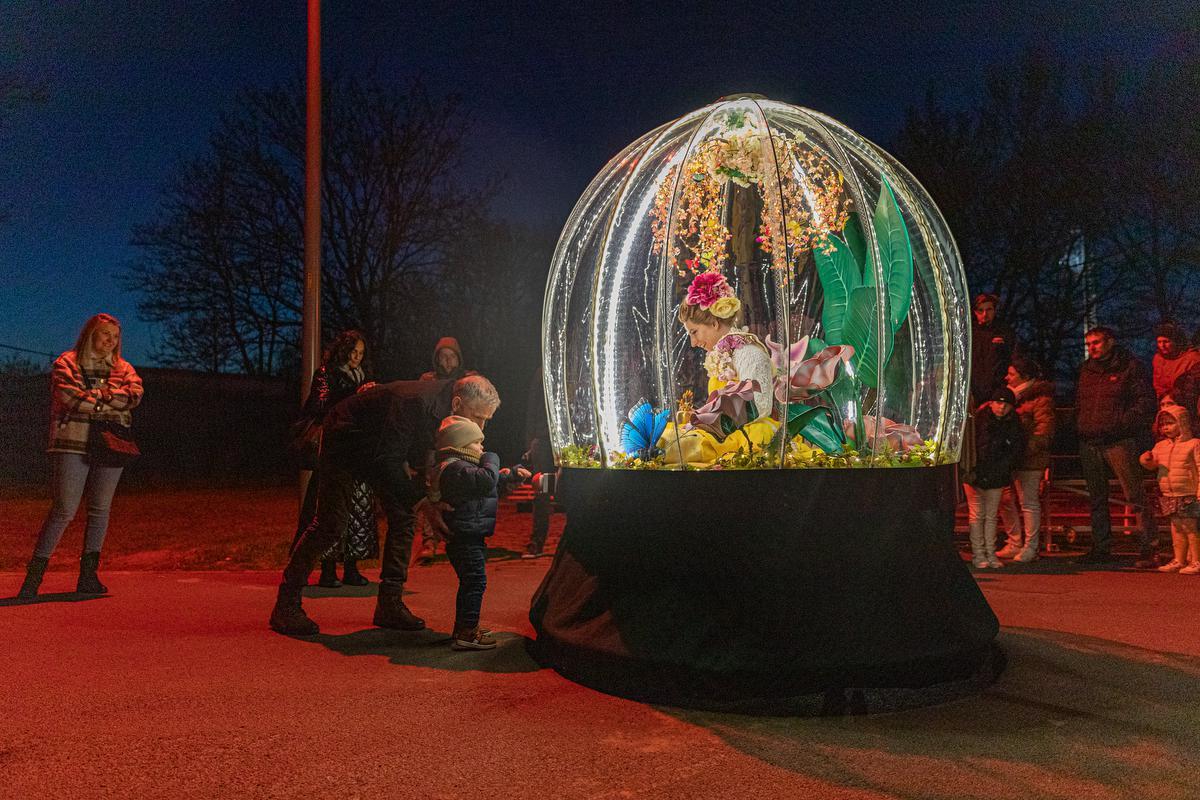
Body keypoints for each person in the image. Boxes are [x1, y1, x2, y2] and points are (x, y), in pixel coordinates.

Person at [270, 375, 503, 636]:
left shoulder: (446, 409)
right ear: (458, 403)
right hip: (345, 441)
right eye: (478, 417)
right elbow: (388, 461)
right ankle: (286, 604)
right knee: (331, 524)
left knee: (404, 516)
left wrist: (430, 494)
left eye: (486, 420)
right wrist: (425, 501)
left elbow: (413, 456)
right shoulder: (415, 401)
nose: (481, 427)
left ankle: (389, 604)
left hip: (381, 448)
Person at [18, 313, 144, 599]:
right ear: (90, 335)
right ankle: (33, 578)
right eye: (104, 335)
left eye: (114, 337)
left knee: (100, 509)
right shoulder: (66, 363)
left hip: (111, 444)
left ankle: (88, 576)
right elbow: (68, 397)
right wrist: (109, 400)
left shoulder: (123, 367)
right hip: (72, 442)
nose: (110, 342)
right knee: (64, 508)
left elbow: (134, 395)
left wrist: (97, 397)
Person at [659, 272, 778, 467]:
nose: (694, 342)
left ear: (714, 323)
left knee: (682, 446)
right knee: (668, 435)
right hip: (721, 430)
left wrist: (711, 424)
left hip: (751, 434)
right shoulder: (722, 354)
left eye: (694, 332)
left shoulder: (749, 353)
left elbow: (759, 407)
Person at [293, 330, 378, 588]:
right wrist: (354, 394)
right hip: (333, 449)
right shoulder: (326, 373)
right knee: (329, 509)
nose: (357, 357)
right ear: (342, 350)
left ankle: (352, 567)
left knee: (358, 510)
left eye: (361, 353)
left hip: (357, 450)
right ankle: (328, 569)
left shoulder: (364, 376)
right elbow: (318, 406)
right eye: (353, 352)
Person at [431, 416, 525, 649]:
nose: (482, 448)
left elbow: (489, 484)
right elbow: (485, 480)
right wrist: (491, 458)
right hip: (464, 537)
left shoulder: (464, 469)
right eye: (476, 443)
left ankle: (464, 627)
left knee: (471, 581)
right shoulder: (454, 468)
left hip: (470, 535)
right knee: (475, 581)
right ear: (460, 445)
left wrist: (510, 475)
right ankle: (467, 633)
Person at [1073, 326, 1158, 566]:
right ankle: (1101, 546)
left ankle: (1149, 545)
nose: (1092, 348)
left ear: (1110, 342)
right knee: (1097, 497)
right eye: (1089, 344)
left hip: (1118, 440)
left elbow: (1145, 401)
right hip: (1090, 439)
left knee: (1134, 494)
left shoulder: (1130, 366)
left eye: (1097, 343)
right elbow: (1079, 401)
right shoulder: (1086, 370)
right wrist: (1080, 424)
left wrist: (1121, 424)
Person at [996, 356, 1056, 563]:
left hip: (1030, 460)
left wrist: (1023, 449)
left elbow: (1044, 431)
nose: (1007, 377)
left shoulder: (1041, 399)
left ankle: (1031, 546)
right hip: (1012, 458)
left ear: (1025, 376)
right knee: (1005, 499)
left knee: (1028, 502)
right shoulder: (1011, 398)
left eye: (1012, 374)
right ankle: (1014, 541)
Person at [964, 387, 1025, 569]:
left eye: (1006, 404)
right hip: (978, 474)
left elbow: (1015, 452)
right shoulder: (980, 421)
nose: (1001, 408)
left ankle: (988, 553)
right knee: (978, 515)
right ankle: (979, 553)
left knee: (989, 516)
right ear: (991, 403)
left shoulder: (1013, 425)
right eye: (998, 403)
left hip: (996, 475)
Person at [1139, 405, 1200, 574]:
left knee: (1190, 527)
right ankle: (1179, 559)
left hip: (1188, 492)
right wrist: (1146, 460)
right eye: (1163, 424)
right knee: (1176, 527)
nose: (1165, 427)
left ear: (1182, 423)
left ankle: (1196, 560)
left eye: (1170, 423)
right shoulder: (1161, 446)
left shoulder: (1193, 444)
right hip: (1169, 492)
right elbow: (1153, 465)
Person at [521, 367, 555, 559]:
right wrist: (530, 443)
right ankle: (537, 541)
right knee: (542, 491)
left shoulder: (577, 365)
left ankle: (573, 543)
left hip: (569, 441)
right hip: (543, 440)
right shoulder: (543, 371)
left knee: (572, 489)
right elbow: (532, 408)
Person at [969, 293, 1018, 411]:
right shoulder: (969, 333)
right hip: (971, 391)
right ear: (975, 312)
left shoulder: (1005, 332)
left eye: (989, 309)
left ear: (994, 310)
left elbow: (1014, 359)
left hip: (996, 393)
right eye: (980, 310)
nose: (985, 314)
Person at [1151, 323, 1200, 402]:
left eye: (1166, 341)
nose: (1162, 345)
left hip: (1185, 403)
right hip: (1163, 403)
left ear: (1176, 342)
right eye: (1159, 342)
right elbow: (1157, 385)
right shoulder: (1158, 359)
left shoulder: (1192, 358)